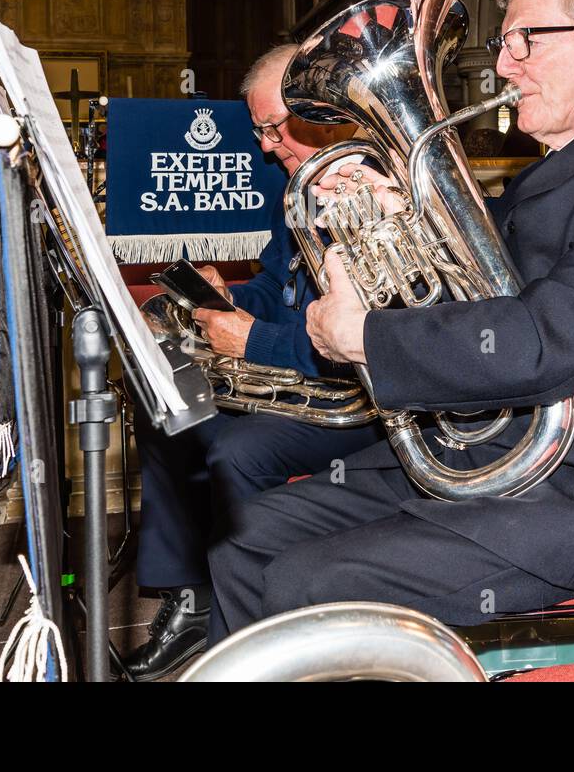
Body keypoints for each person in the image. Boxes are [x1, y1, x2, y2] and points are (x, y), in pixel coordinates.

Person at [207, 0, 574, 642]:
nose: (504, 66)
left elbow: (545, 337)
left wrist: (366, 337)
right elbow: (482, 289)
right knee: (236, 537)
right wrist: (397, 210)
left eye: (527, 43)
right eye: (502, 45)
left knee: (306, 582)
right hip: (485, 459)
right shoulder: (564, 167)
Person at [122, 44, 384, 681]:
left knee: (239, 450)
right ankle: (190, 597)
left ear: (322, 110)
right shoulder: (300, 189)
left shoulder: (381, 189)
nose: (267, 147)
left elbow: (377, 335)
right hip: (301, 375)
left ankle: (247, 630)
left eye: (275, 127)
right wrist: (229, 298)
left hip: (365, 400)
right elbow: (277, 285)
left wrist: (256, 342)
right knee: (170, 413)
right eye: (261, 130)